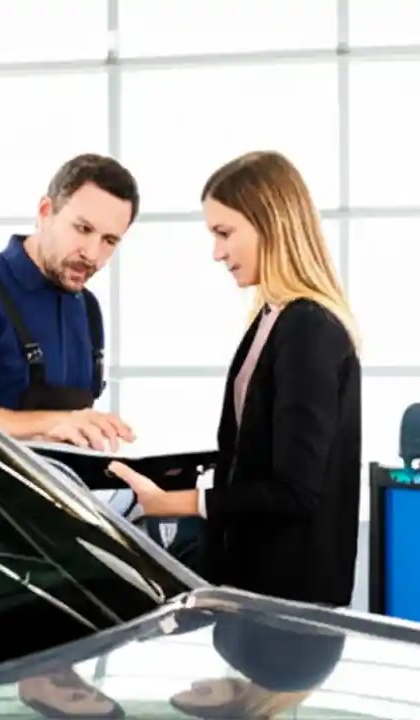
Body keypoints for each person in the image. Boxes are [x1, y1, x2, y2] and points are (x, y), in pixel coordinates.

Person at [108, 150, 363, 609]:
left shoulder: (308, 329)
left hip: (288, 599)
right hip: (250, 585)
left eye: (224, 233)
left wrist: (180, 503)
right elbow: (256, 452)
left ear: (271, 224)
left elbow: (295, 490)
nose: (217, 253)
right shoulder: (270, 319)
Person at [0, 153, 140, 557]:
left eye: (109, 241)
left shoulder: (87, 307)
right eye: (83, 229)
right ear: (46, 211)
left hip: (61, 533)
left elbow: (69, 429)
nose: (93, 254)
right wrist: (57, 421)